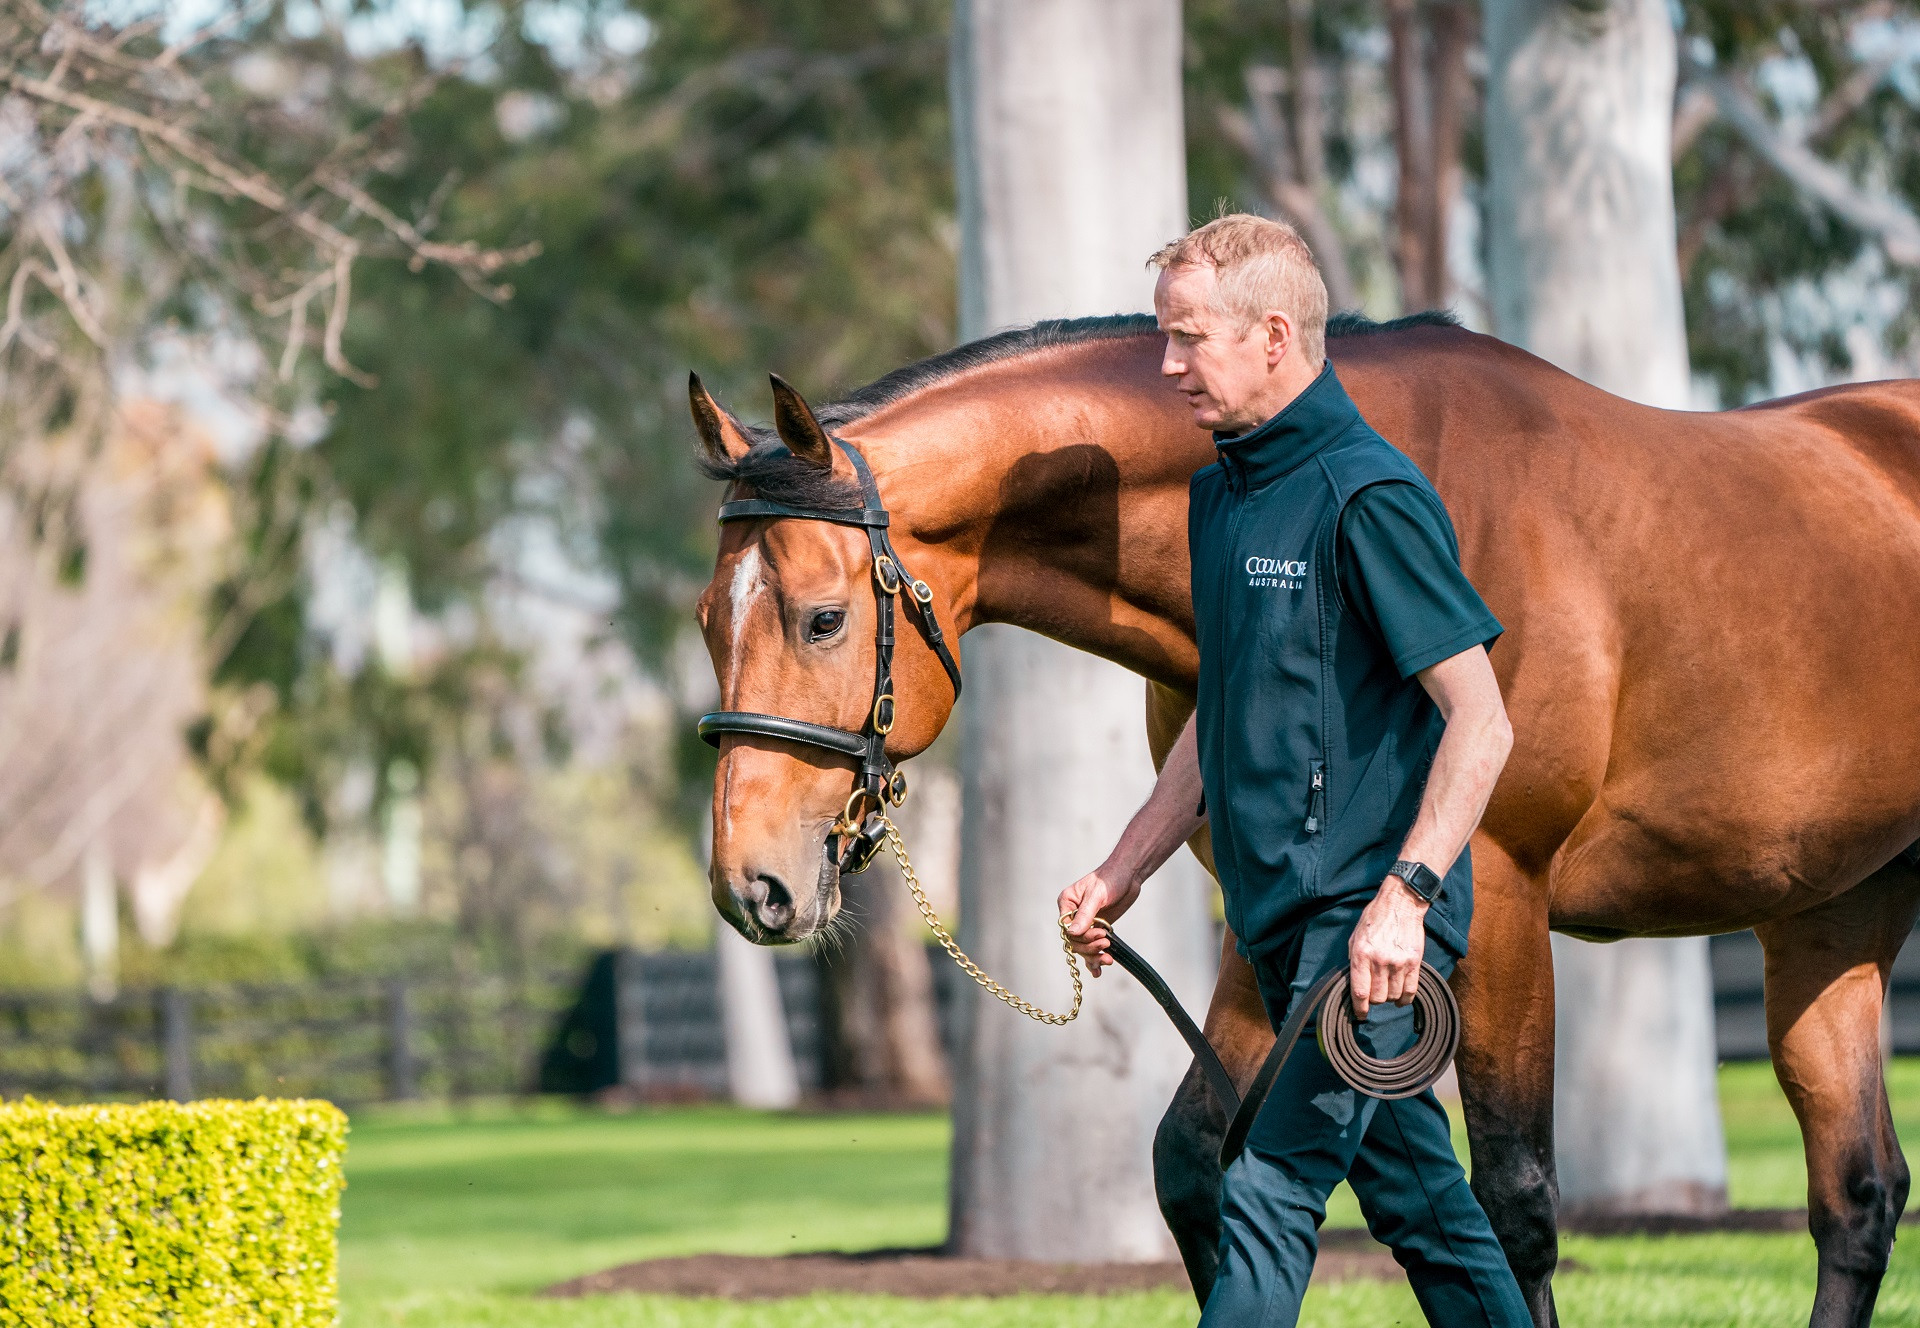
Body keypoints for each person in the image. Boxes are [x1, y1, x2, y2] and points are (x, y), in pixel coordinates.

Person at [1058, 214, 1531, 1328]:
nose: (1167, 365)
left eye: (1189, 339)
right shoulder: (1220, 496)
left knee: (1266, 1188)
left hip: (1367, 936)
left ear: (1274, 334)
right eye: (1163, 338)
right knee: (1423, 1205)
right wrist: (1124, 866)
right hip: (1277, 921)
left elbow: (1482, 720)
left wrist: (1405, 902)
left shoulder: (1370, 495)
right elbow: (1218, 717)